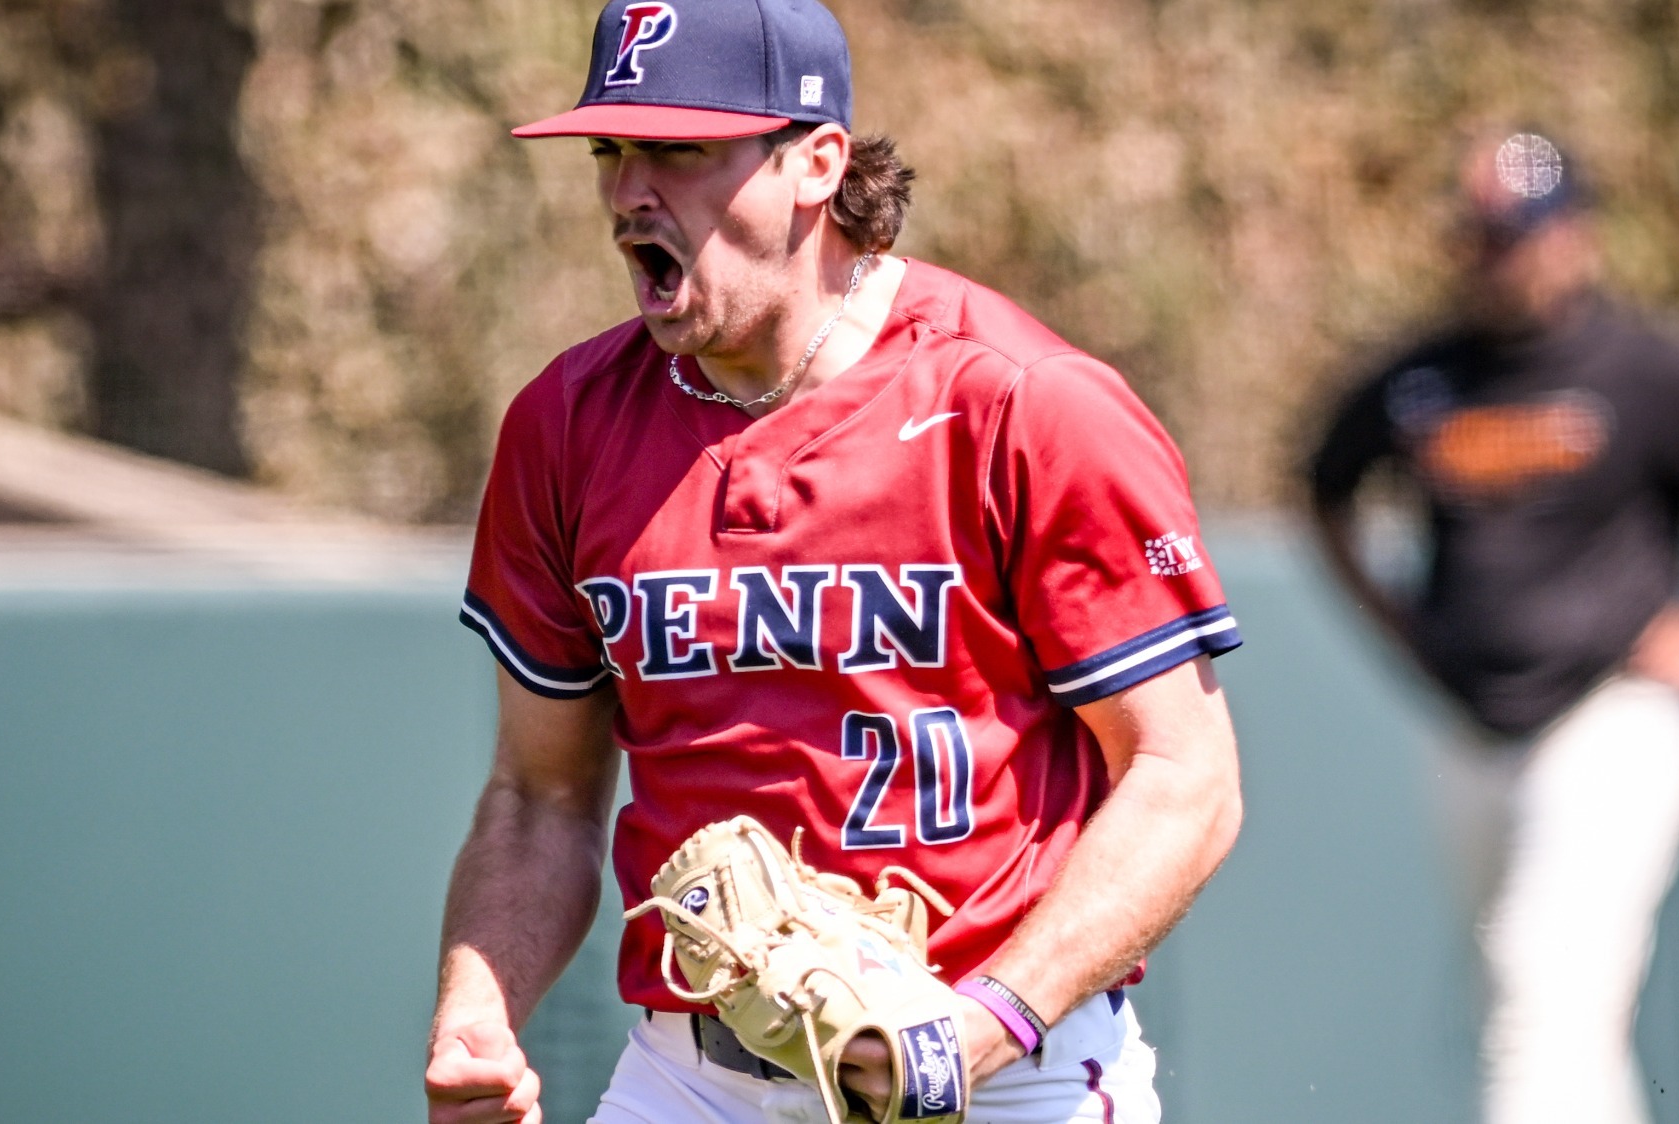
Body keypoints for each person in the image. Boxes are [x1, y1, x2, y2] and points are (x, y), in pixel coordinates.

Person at [427, 2, 1245, 1121]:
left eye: (678, 148)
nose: (627, 193)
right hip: (692, 1072)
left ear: (816, 163)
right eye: (612, 151)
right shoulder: (565, 424)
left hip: (1001, 1068)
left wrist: (989, 1020)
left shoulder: (1017, 400)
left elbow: (1183, 776)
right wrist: (479, 1007)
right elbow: (539, 794)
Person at [1308, 131, 1679, 1124]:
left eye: (1515, 235)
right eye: (1479, 235)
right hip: (1472, 733)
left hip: (1608, 720)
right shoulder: (1425, 375)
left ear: (1573, 235)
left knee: (1535, 991)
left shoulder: (1641, 368)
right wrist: (1401, 625)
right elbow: (1323, 485)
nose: (1495, 255)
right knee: (1548, 1013)